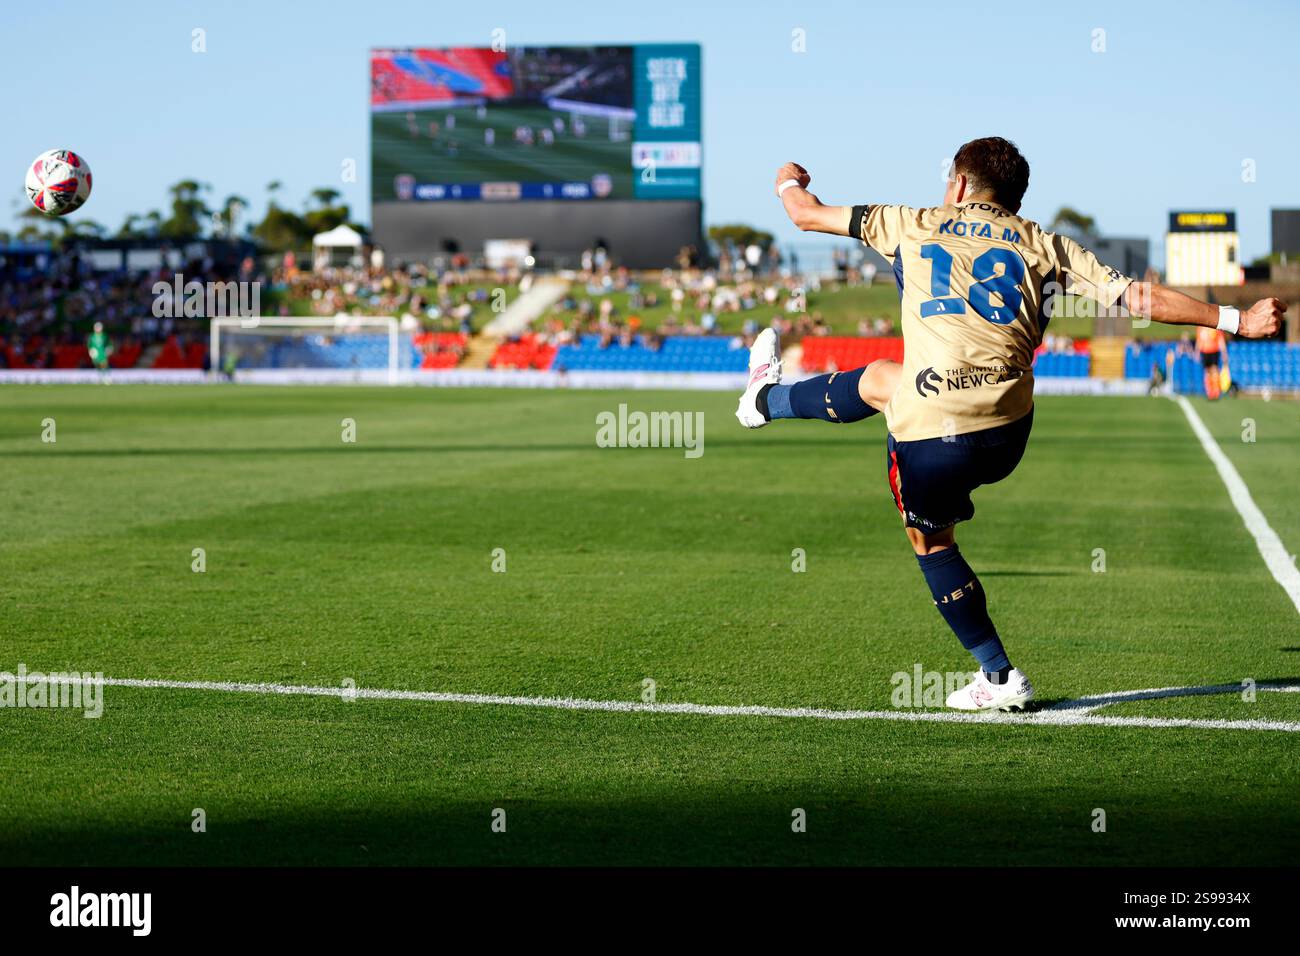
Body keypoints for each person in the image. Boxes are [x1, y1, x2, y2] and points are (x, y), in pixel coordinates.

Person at [735, 137, 1286, 712]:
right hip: (1006, 432)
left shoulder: (914, 222)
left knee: (929, 538)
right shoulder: (1046, 244)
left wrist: (787, 180)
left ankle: (998, 678)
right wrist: (1237, 320)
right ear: (1015, 199)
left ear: (958, 185)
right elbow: (1137, 298)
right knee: (880, 378)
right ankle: (763, 401)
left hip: (933, 434)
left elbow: (803, 214)